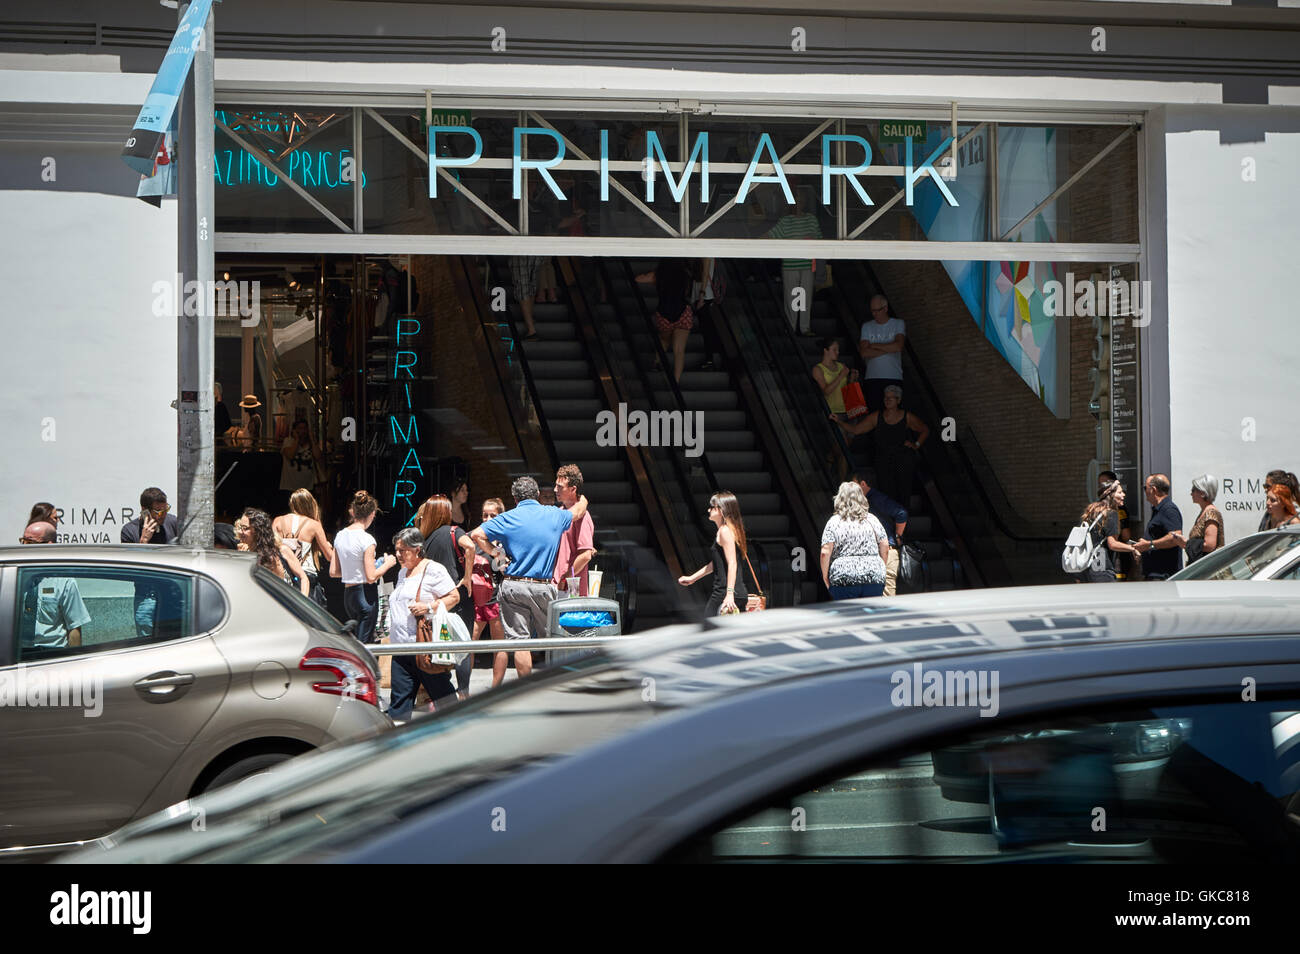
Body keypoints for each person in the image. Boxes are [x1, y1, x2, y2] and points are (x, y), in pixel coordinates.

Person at [470, 476, 590, 681]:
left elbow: (477, 535)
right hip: (544, 586)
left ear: (515, 499)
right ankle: (560, 684)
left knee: (520, 643)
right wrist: (583, 498)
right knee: (555, 640)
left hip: (513, 586)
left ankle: (526, 687)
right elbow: (578, 512)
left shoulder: (508, 517)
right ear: (537, 496)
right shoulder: (553, 514)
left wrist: (496, 554)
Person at [385, 527, 462, 721]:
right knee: (399, 703)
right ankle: (398, 743)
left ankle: (460, 730)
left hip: (424, 647)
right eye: (397, 550)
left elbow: (454, 597)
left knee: (444, 697)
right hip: (401, 648)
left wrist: (428, 607)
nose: (398, 555)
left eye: (403, 550)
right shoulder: (403, 573)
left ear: (417, 549)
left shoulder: (433, 569)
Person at [417, 494, 477, 699]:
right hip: (458, 597)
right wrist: (468, 577)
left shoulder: (424, 538)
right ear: (445, 512)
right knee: (462, 644)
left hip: (435, 600)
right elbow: (469, 546)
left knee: (438, 643)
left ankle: (438, 690)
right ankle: (463, 692)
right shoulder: (454, 531)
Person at [835, 385, 930, 505]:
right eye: (886, 397)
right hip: (883, 460)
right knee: (887, 493)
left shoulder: (907, 417)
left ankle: (903, 520)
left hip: (903, 460)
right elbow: (856, 430)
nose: (888, 400)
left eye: (891, 398)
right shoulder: (876, 417)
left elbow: (925, 430)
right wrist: (839, 421)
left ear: (898, 400)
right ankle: (892, 521)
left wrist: (916, 444)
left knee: (903, 492)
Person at [330, 491, 396, 643]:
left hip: (349, 595)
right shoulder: (367, 540)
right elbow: (371, 577)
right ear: (372, 514)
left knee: (357, 642)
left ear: (353, 512)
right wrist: (387, 564)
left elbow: (334, 572)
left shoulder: (340, 535)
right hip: (365, 595)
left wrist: (356, 570)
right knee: (366, 646)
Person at [677, 491, 751, 616]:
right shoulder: (728, 531)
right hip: (733, 593)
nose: (708, 510)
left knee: (709, 630)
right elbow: (717, 563)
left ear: (721, 510)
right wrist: (692, 578)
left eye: (712, 507)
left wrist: (729, 594)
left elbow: (732, 563)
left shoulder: (725, 531)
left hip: (725, 594)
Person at [18, 522, 89, 651]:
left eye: (30, 543)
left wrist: (73, 660)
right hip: (17, 652)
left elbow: (74, 627)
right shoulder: (17, 577)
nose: (24, 547)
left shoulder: (64, 581)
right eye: (23, 541)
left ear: (48, 546)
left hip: (51, 652)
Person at [765, 188, 823, 336]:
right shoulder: (785, 221)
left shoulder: (811, 219)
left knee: (805, 297)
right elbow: (771, 235)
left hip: (806, 264)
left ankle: (804, 327)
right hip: (790, 265)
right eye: (796, 199)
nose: (798, 203)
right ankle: (791, 327)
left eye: (800, 199)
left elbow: (820, 239)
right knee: (791, 297)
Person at [820, 482, 891, 598]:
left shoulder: (834, 522)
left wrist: (825, 576)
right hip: (874, 577)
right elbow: (885, 545)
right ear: (861, 498)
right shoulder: (872, 520)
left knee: (847, 614)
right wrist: (879, 567)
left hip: (843, 577)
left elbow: (825, 551)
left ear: (839, 499)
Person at [635, 260, 694, 383]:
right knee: (679, 350)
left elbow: (638, 279)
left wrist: (654, 276)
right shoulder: (684, 274)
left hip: (664, 313)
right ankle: (676, 381)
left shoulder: (659, 274)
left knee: (664, 339)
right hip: (683, 312)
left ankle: (657, 362)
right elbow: (687, 292)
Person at [852, 470, 909, 596]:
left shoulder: (876, 498)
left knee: (886, 594)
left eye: (853, 484)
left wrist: (898, 536)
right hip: (875, 553)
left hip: (887, 551)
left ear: (862, 484)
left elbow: (901, 513)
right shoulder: (866, 501)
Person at [273, 489, 334, 605]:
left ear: (292, 504)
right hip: (306, 576)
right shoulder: (314, 525)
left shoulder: (278, 521)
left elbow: (270, 549)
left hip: (282, 576)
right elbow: (329, 557)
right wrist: (331, 547)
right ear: (310, 505)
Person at [471, 498, 508, 685]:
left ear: (500, 516)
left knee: (499, 644)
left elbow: (506, 570)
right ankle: (464, 690)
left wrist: (500, 554)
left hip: (497, 598)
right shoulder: (473, 537)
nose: (487, 519)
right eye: (484, 515)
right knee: (468, 644)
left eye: (492, 515)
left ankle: (496, 689)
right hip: (475, 600)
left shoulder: (506, 540)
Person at [239, 508, 310, 597]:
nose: (240, 532)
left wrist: (302, 602)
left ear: (257, 530)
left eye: (245, 528)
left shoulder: (278, 552)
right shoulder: (246, 553)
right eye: (240, 527)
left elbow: (303, 578)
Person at [1078, 481, 1139, 583]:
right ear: (1110, 495)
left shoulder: (1090, 511)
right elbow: (1112, 544)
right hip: (1101, 567)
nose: (1123, 494)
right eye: (1119, 492)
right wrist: (1132, 548)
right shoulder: (1111, 514)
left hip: (1085, 567)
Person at [552, 464, 597, 596]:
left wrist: (564, 578)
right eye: (556, 485)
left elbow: (586, 555)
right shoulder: (560, 512)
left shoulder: (583, 517)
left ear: (573, 489)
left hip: (571, 590)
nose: (555, 490)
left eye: (560, 487)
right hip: (557, 585)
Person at [858, 294, 905, 413]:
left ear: (885, 308)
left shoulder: (897, 324)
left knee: (894, 415)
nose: (874, 314)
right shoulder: (867, 326)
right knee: (874, 414)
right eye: (872, 311)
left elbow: (898, 346)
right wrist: (889, 347)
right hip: (872, 378)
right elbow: (864, 352)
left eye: (877, 310)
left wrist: (875, 345)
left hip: (893, 376)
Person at [1134, 474, 1184, 580]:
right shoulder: (1158, 509)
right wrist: (1144, 546)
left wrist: (1149, 545)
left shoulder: (1169, 509)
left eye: (1145, 488)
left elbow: (1175, 538)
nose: (1145, 491)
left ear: (1153, 490)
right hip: (1155, 574)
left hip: (1163, 576)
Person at [1172, 475, 1225, 563]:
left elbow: (1210, 545)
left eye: (1193, 490)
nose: (1191, 493)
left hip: (1211, 569)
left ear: (1203, 493)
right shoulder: (1204, 512)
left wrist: (1186, 543)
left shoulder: (1211, 513)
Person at [1097, 469, 1137, 580]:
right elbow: (1125, 537)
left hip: (1103, 563)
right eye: (1100, 484)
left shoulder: (1093, 510)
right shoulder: (1113, 512)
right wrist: (1132, 548)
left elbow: (1125, 535)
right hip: (1111, 562)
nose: (1102, 486)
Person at [279, 419, 322, 512]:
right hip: (290, 486)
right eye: (299, 428)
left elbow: (318, 456)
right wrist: (297, 440)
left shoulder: (311, 444)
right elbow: (290, 455)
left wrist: (312, 439)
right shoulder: (288, 441)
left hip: (307, 487)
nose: (302, 431)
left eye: (304, 428)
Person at [813, 338, 859, 420]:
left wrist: (852, 379)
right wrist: (841, 376)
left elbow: (848, 389)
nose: (838, 352)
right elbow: (826, 391)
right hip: (832, 411)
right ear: (825, 350)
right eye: (834, 350)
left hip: (849, 409)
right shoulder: (818, 369)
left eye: (838, 350)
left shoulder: (841, 366)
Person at [510, 256, 543, 340]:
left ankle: (531, 330)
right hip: (536, 250)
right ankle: (530, 318)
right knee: (531, 285)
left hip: (519, 251)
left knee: (522, 287)